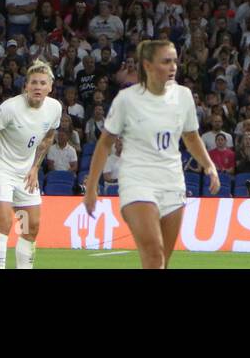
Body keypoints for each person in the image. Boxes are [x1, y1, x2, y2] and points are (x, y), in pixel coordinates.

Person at [83, 39, 220, 269]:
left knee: (161, 263)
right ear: (147, 65)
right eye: (166, 61)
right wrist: (90, 188)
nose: (173, 67)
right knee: (154, 255)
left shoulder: (184, 96)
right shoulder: (127, 100)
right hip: (137, 181)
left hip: (172, 182)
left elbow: (191, 136)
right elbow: (105, 143)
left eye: (175, 61)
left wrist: (209, 166)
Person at [0, 62, 62, 269]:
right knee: (3, 224)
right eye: (33, 83)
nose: (37, 87)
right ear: (26, 87)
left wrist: (34, 169)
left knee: (30, 228)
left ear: (50, 87)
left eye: (42, 83)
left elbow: (49, 137)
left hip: (24, 173)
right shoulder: (10, 108)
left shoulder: (54, 108)